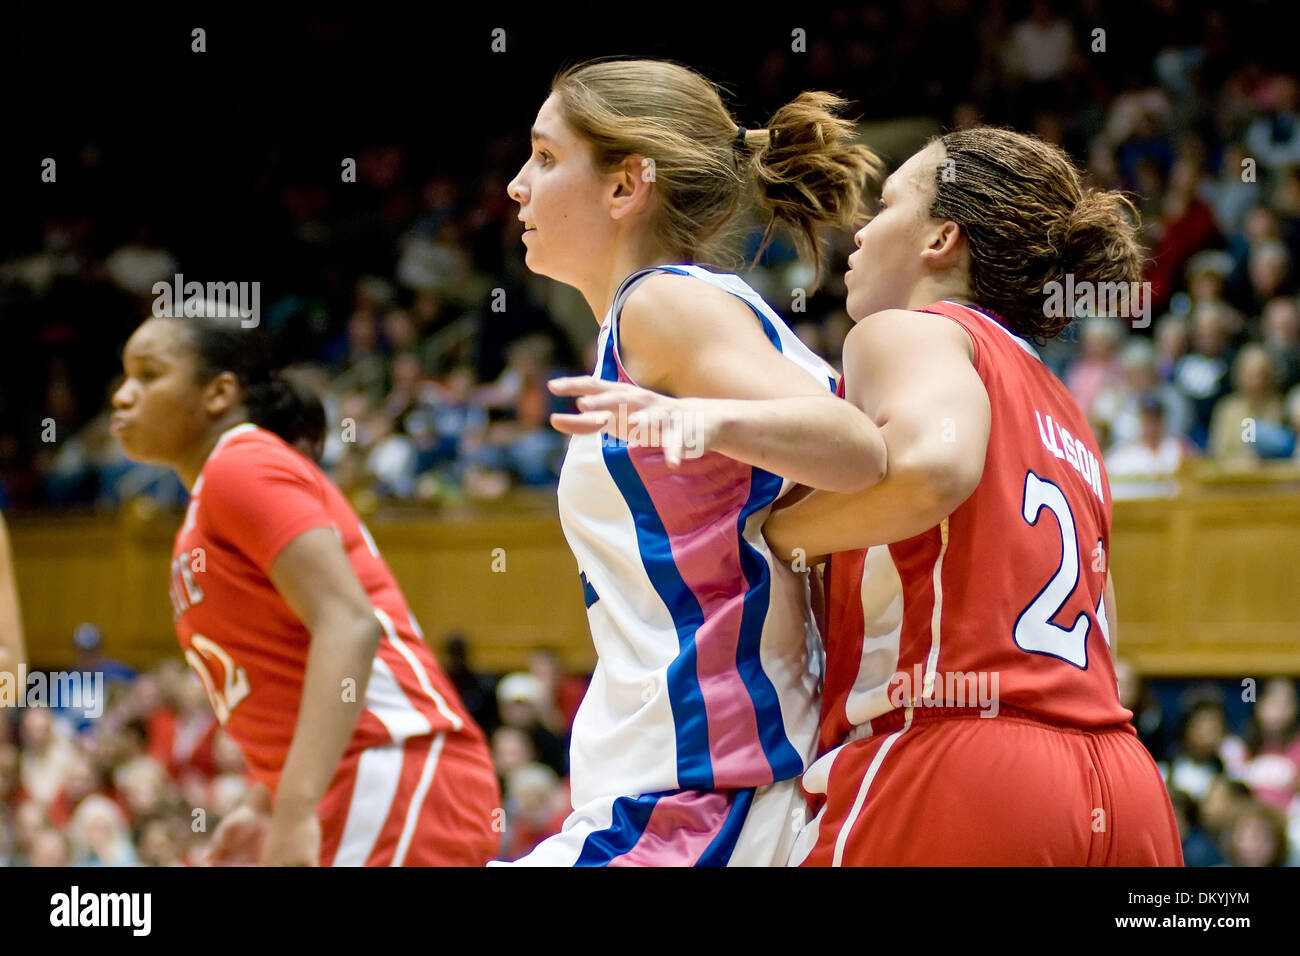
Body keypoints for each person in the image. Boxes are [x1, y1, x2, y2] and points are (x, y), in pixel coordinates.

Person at [572, 127, 1184, 865]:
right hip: (1121, 779)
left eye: (889, 205)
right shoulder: (1066, 412)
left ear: (940, 239)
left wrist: (774, 539)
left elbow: (931, 471)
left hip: (957, 760)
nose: (860, 231)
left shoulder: (911, 333)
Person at [500, 56, 889, 866]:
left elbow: (855, 447)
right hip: (697, 783)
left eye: (543, 156)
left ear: (624, 186)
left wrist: (692, 421)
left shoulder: (661, 306)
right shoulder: (685, 310)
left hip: (704, 793)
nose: (516, 185)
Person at [109, 302, 500, 866]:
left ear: (217, 394)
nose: (123, 395)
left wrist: (292, 809)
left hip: (392, 764)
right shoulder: (214, 496)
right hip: (356, 781)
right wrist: (262, 802)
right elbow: (287, 672)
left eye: (148, 375)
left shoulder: (239, 464)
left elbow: (348, 625)